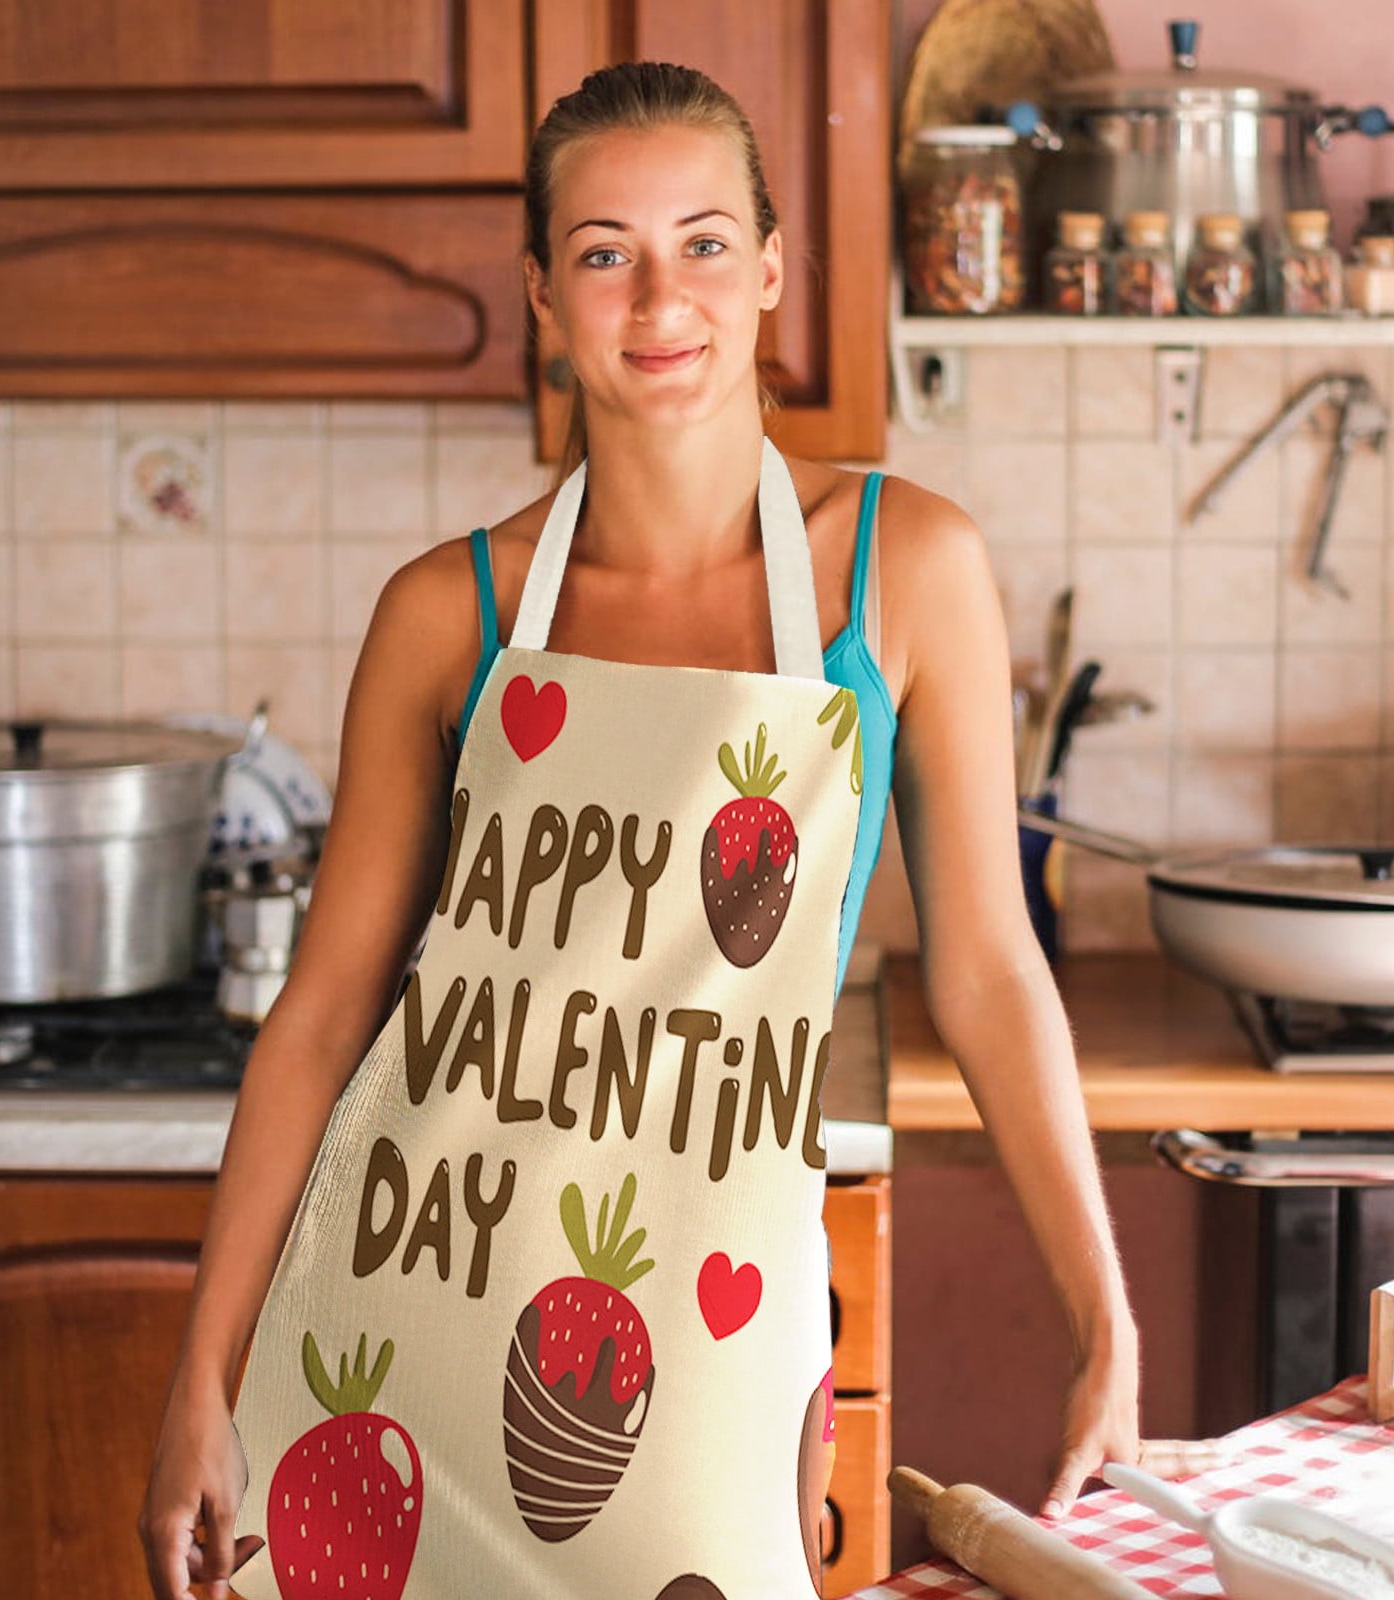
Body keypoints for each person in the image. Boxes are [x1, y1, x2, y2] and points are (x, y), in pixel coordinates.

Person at [138, 60, 1141, 1600]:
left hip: (707, 1335)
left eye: (705, 243)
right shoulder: (445, 614)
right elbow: (326, 1011)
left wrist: (1102, 1320)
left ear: (773, 270)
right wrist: (203, 1375)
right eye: (605, 252)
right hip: (408, 1304)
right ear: (542, 290)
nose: (659, 298)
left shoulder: (906, 569)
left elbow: (993, 976)